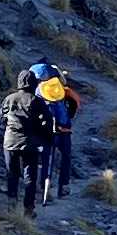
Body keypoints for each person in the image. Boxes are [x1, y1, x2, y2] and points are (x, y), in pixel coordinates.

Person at [0, 63, 60, 215]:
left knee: (12, 173)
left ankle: (11, 206)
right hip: (31, 143)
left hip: (10, 142)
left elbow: (2, 117)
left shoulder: (9, 98)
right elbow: (47, 122)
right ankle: (28, 208)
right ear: (34, 83)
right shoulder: (36, 101)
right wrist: (48, 139)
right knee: (30, 177)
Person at [36, 63, 82, 200]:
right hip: (64, 129)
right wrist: (70, 118)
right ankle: (64, 186)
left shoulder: (39, 90)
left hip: (46, 129)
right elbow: (76, 103)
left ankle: (43, 188)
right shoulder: (62, 90)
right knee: (66, 157)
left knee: (46, 158)